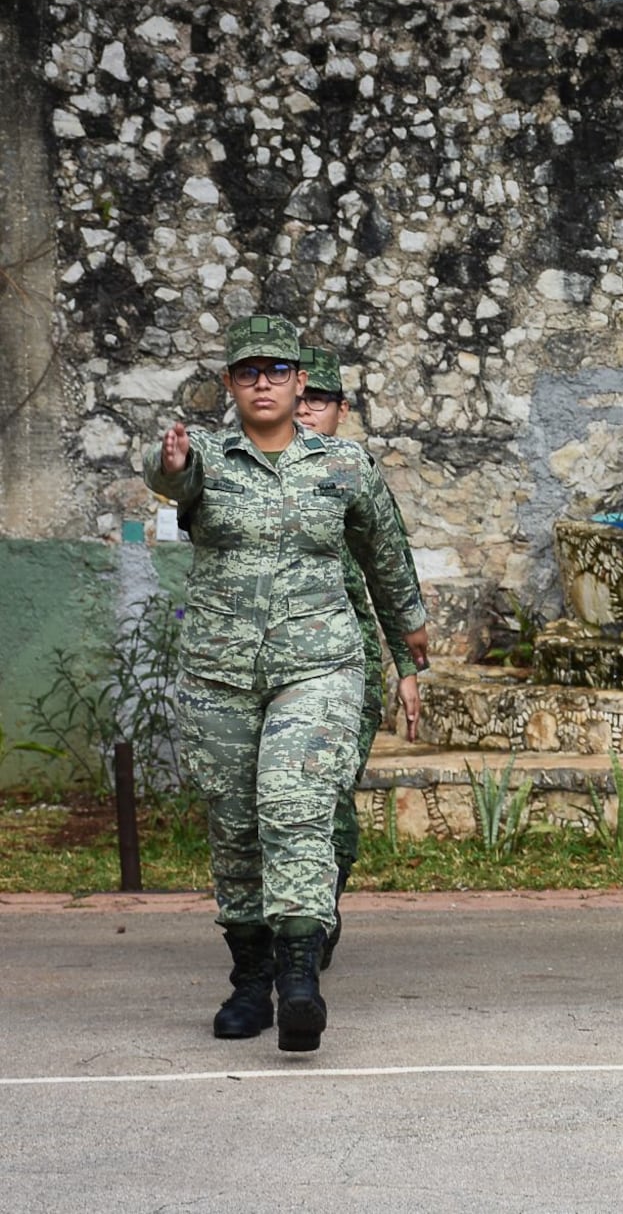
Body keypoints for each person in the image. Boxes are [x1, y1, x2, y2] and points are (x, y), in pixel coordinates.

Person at [144, 314, 428, 1053]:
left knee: (295, 806)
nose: (262, 382)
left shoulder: (344, 465)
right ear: (230, 385)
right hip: (220, 675)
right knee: (235, 825)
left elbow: (386, 555)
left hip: (320, 667)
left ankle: (301, 977)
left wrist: (409, 645)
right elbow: (168, 475)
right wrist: (169, 466)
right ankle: (249, 981)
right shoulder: (206, 455)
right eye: (247, 372)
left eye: (276, 370)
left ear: (302, 382)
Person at [291, 344, 425, 971]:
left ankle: (319, 909)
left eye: (317, 399)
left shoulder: (352, 474)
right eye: (299, 396)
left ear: (340, 409)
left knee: (330, 790)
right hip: (274, 657)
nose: (304, 410)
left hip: (349, 661)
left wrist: (408, 671)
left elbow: (389, 571)